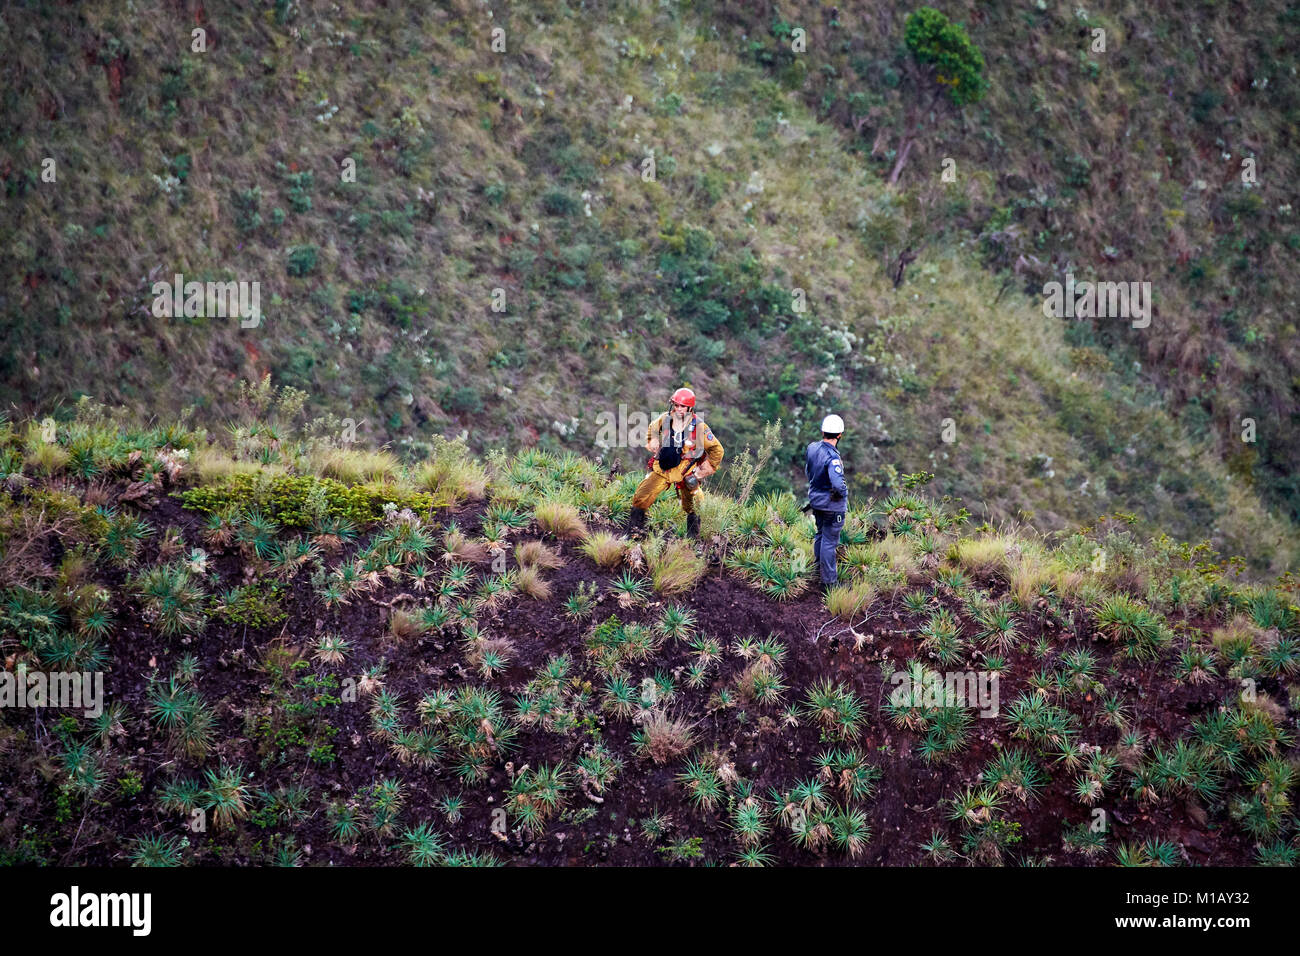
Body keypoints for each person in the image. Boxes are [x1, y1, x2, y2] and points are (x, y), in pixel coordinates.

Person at [626, 387, 723, 539]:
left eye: (682, 406)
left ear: (690, 407)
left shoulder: (699, 427)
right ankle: (633, 532)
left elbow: (717, 450)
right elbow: (652, 428)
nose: (678, 409)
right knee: (641, 496)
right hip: (664, 468)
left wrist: (700, 472)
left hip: (687, 471)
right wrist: (654, 442)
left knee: (694, 506)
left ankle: (693, 542)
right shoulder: (665, 419)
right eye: (676, 405)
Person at [806, 414, 847, 593]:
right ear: (840, 435)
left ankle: (817, 572)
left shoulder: (812, 448)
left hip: (815, 500)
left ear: (822, 431)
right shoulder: (833, 458)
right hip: (832, 505)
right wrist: (844, 492)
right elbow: (838, 484)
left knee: (820, 536)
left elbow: (809, 471)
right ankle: (829, 583)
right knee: (830, 541)